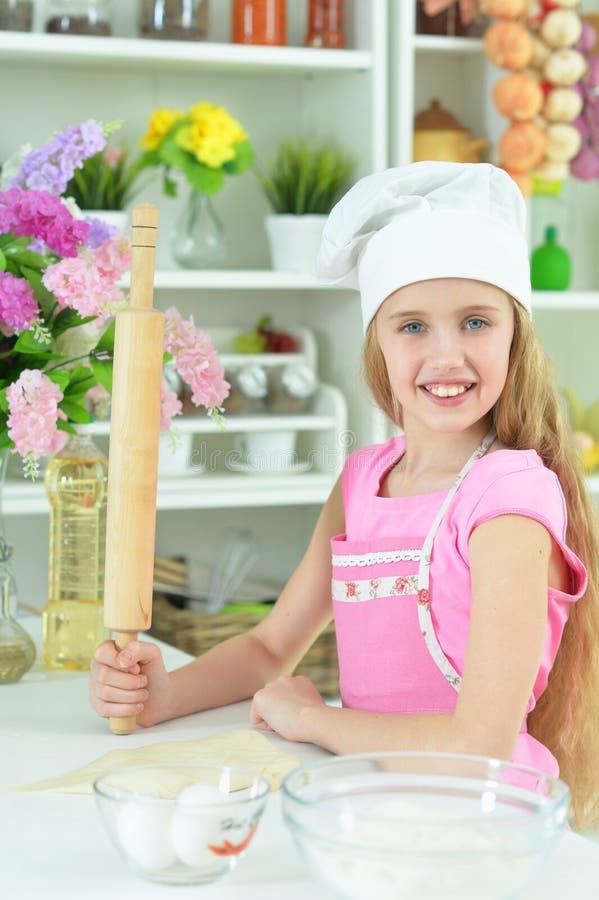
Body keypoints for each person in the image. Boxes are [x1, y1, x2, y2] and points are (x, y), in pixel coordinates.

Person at [90, 162, 599, 831]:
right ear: (377, 344)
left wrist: (310, 718)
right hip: (364, 801)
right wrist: (164, 695)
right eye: (411, 326)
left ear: (515, 335)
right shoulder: (363, 480)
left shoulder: (508, 498)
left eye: (475, 322)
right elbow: (272, 649)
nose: (445, 355)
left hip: (481, 823)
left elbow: (478, 749)